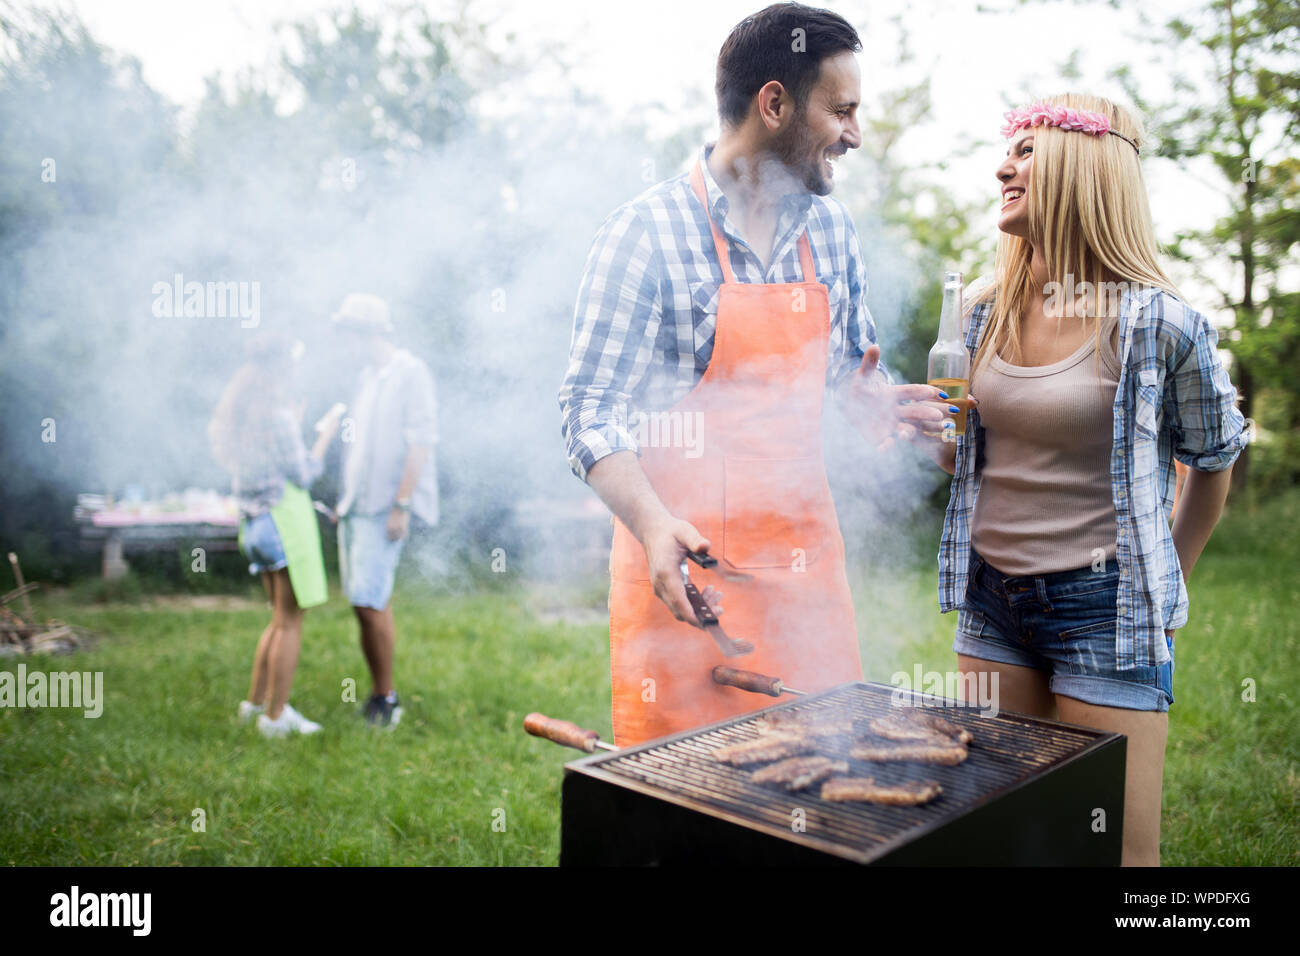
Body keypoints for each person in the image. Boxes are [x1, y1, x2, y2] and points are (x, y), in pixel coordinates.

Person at [558, 3, 949, 747]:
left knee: (824, 794)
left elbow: (846, 377)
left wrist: (880, 405)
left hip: (805, 581)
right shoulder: (644, 233)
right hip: (682, 577)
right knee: (686, 815)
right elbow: (588, 411)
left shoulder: (833, 231)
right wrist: (650, 525)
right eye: (841, 110)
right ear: (774, 104)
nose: (855, 134)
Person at [928, 94, 1247, 866]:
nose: (1004, 166)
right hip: (993, 597)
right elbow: (961, 456)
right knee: (1004, 833)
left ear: (1087, 169)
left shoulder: (1161, 322)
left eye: (1029, 151)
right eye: (1008, 150)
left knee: (1112, 851)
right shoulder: (980, 314)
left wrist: (1164, 589)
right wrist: (935, 432)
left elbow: (1213, 461)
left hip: (1105, 608)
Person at [209, 333, 342, 738]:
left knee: (278, 619)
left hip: (254, 526)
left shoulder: (243, 409)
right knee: (289, 623)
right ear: (282, 366)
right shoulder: (277, 414)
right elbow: (303, 473)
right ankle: (275, 717)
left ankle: (254, 705)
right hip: (281, 525)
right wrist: (325, 436)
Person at [331, 293, 438, 728]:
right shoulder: (366, 377)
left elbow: (422, 441)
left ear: (370, 332)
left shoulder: (410, 373)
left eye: (348, 333)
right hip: (357, 505)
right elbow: (358, 446)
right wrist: (345, 500)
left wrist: (402, 504)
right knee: (363, 600)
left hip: (386, 506)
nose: (343, 342)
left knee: (369, 600)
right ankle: (379, 693)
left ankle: (385, 699)